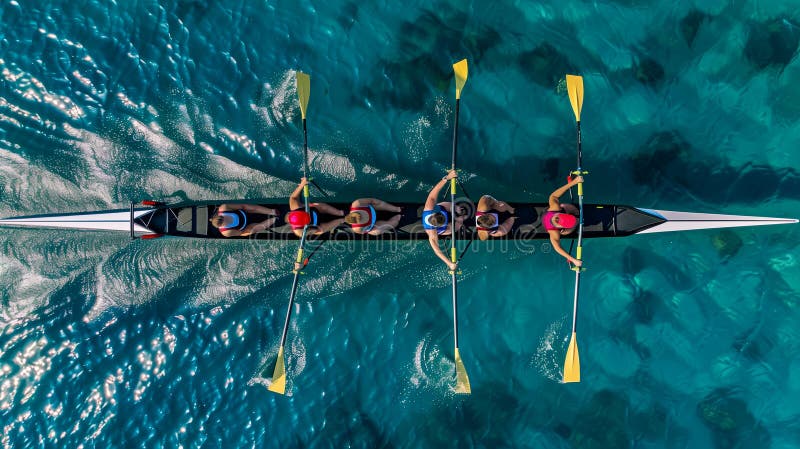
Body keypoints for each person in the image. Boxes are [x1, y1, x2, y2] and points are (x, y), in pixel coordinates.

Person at [423, 170, 465, 270]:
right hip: (444, 228)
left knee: (457, 209)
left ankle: (458, 211)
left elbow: (435, 191)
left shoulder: (430, 207)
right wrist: (449, 264)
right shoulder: (432, 231)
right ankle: (460, 220)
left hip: (443, 209)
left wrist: (447, 178)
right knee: (459, 223)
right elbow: (437, 251)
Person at [544, 176, 584, 266]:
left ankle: (576, 214)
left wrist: (574, 182)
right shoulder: (554, 232)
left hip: (558, 211)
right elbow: (557, 248)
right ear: (560, 227)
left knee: (563, 205)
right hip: (559, 227)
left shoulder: (555, 207)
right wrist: (573, 260)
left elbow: (553, 195)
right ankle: (576, 223)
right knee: (568, 229)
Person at [209, 203, 278, 237]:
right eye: (225, 222)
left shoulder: (224, 208)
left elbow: (242, 206)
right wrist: (250, 231)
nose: (227, 220)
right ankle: (274, 220)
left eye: (225, 218)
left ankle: (272, 211)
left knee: (247, 207)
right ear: (222, 226)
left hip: (246, 213)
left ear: (221, 216)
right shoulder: (226, 232)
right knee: (251, 230)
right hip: (246, 225)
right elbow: (241, 233)